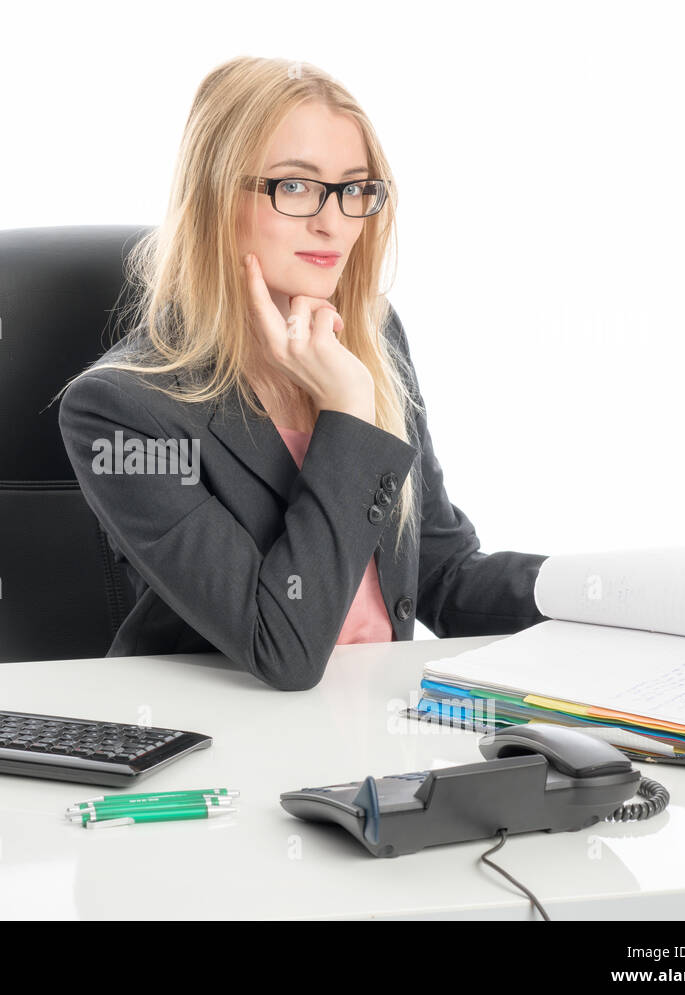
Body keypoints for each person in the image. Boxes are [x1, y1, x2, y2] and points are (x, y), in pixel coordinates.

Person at [56, 56, 548, 691]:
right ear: (213, 199)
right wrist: (347, 410)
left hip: (377, 723)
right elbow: (282, 647)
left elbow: (441, 573)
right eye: (294, 186)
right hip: (235, 742)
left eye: (353, 188)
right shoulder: (120, 410)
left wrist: (607, 599)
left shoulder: (372, 335)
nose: (333, 221)